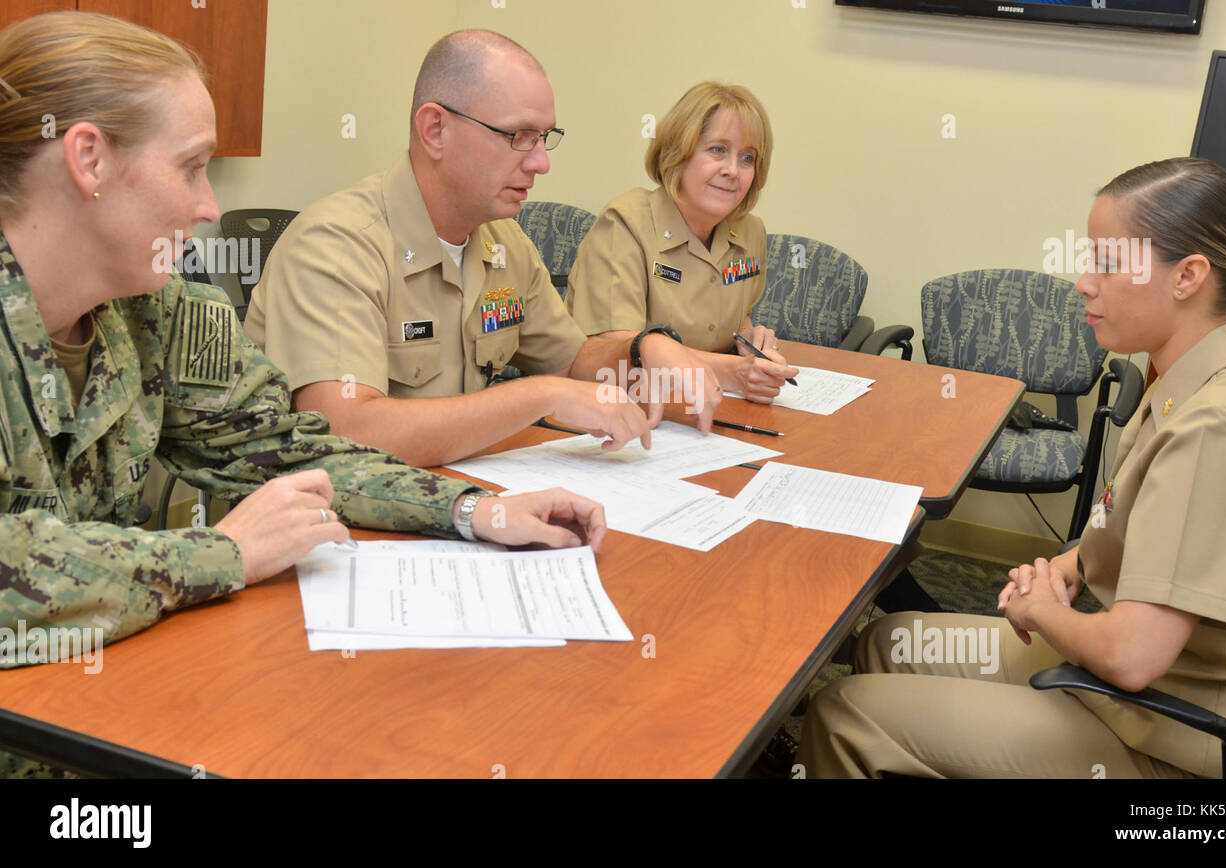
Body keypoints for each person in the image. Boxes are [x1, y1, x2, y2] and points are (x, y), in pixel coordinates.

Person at [0, 12, 607, 774]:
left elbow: (288, 447)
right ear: (87, 159)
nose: (211, 206)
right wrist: (221, 554)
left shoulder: (160, 309)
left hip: (105, 715)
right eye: (191, 166)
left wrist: (468, 510)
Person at [796, 157, 1226, 778]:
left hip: (1162, 738)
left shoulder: (1225, 424)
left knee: (843, 713)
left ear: (1188, 276)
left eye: (1109, 264)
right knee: (887, 641)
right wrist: (1069, 566)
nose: (1084, 282)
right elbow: (1133, 530)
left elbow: (1135, 657)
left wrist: (1042, 611)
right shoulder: (1184, 380)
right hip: (1129, 693)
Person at [244, 31, 721, 468]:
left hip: (460, 498)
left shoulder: (502, 242)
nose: (541, 162)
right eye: (518, 136)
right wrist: (541, 396)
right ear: (436, 130)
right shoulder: (336, 246)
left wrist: (643, 349)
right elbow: (348, 432)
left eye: (545, 137)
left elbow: (573, 362)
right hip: (341, 527)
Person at [563, 82, 798, 404]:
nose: (732, 170)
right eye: (718, 150)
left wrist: (751, 343)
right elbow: (620, 351)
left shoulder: (749, 233)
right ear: (679, 153)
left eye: (747, 158)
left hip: (709, 404)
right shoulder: (624, 224)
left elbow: (734, 315)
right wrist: (733, 371)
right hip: (619, 408)